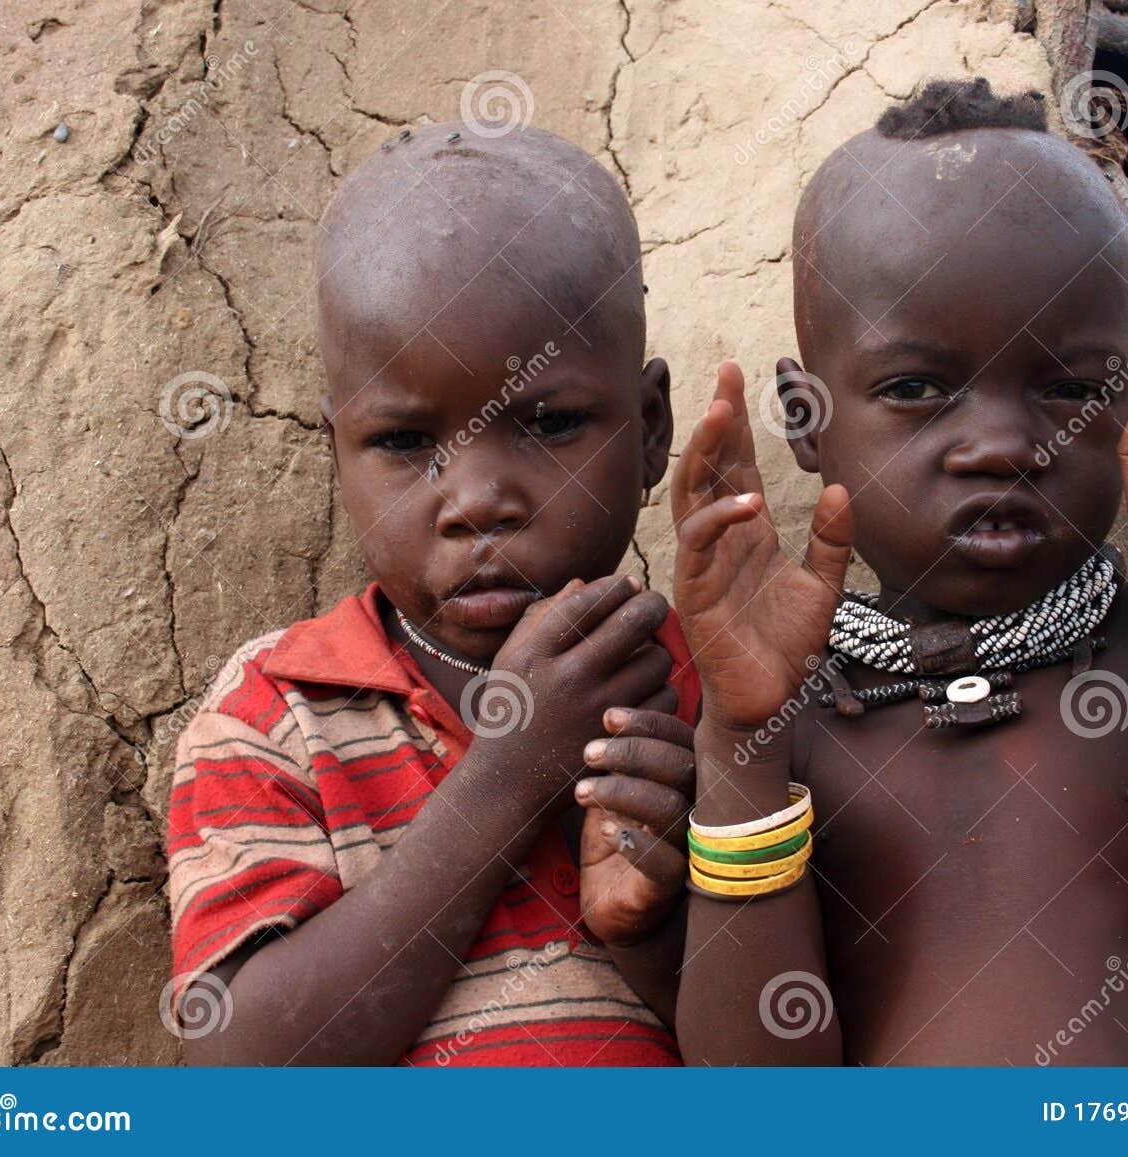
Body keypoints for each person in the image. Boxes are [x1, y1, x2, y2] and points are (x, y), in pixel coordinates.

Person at [669, 79, 1128, 1065]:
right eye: (916, 387)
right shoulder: (791, 705)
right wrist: (740, 739)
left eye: (1068, 389)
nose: (1003, 444)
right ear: (806, 417)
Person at [164, 123, 697, 1065]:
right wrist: (509, 777)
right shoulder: (282, 709)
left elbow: (795, 1064)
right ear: (339, 452)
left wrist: (653, 932)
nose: (478, 501)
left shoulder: (723, 700)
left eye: (551, 422)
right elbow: (242, 1071)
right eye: (407, 444)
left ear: (650, 429)